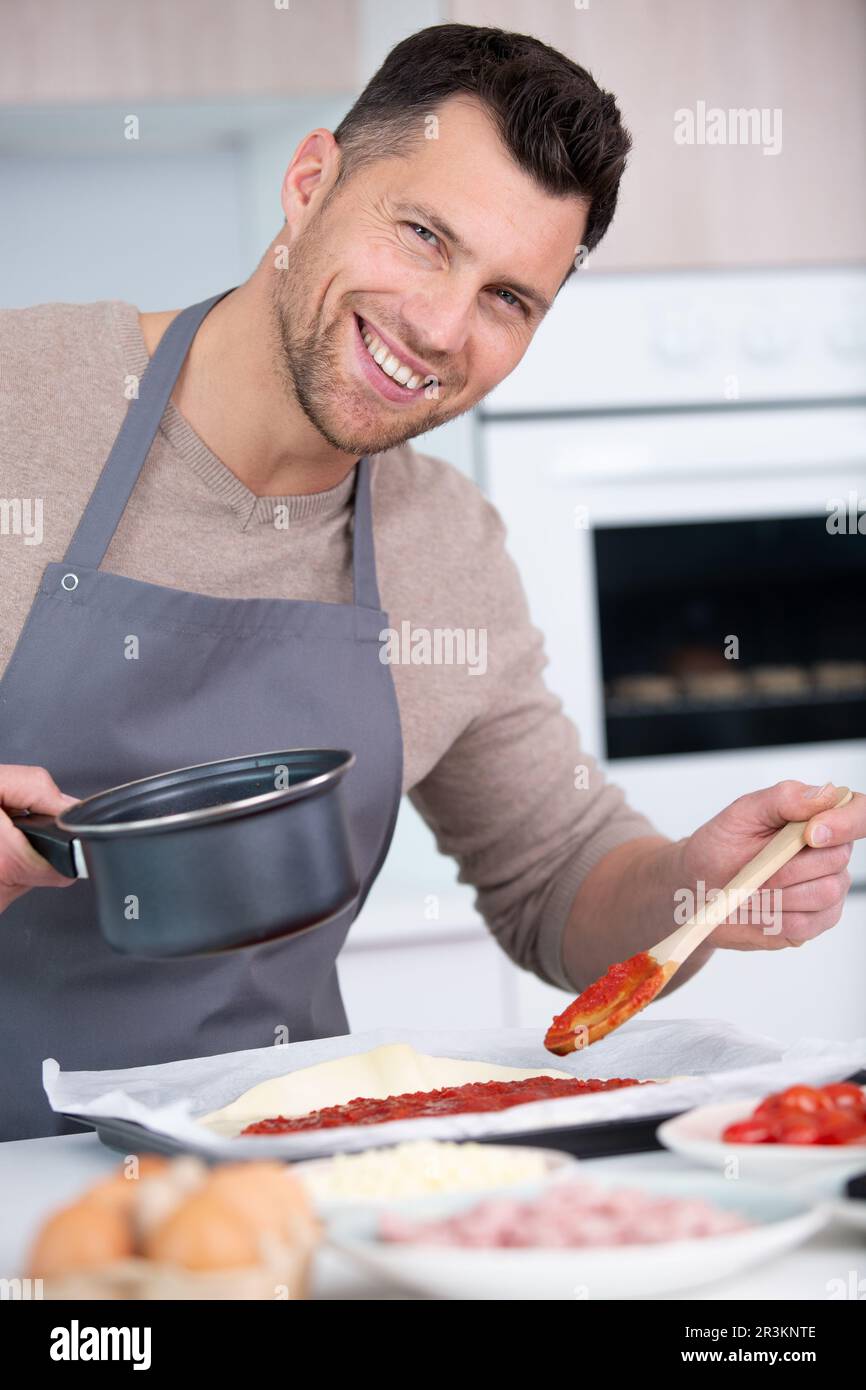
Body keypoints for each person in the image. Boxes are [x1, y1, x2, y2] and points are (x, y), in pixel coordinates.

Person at [0, 24, 862, 1140]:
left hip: (276, 1184)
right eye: (420, 236)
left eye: (509, 298)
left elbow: (556, 878)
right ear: (310, 183)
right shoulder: (26, 405)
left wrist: (693, 890)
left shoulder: (444, 547)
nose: (441, 326)